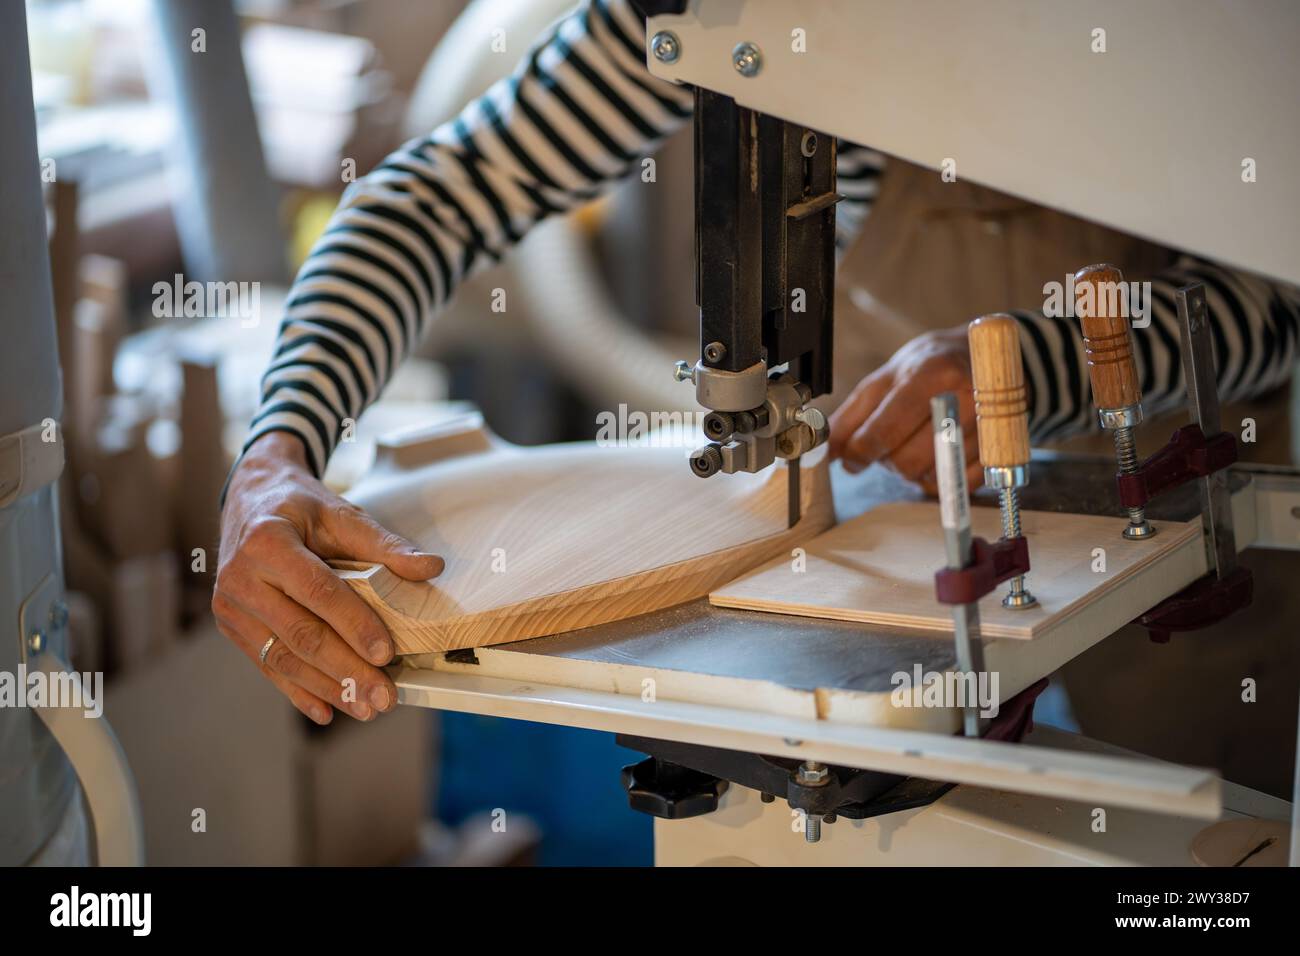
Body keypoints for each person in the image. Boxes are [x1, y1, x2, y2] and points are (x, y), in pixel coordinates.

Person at [216, 0, 1300, 738]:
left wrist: (1050, 361)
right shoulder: (696, 10)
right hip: (888, 523)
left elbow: (1281, 299)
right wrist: (279, 446)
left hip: (1180, 521)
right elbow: (431, 201)